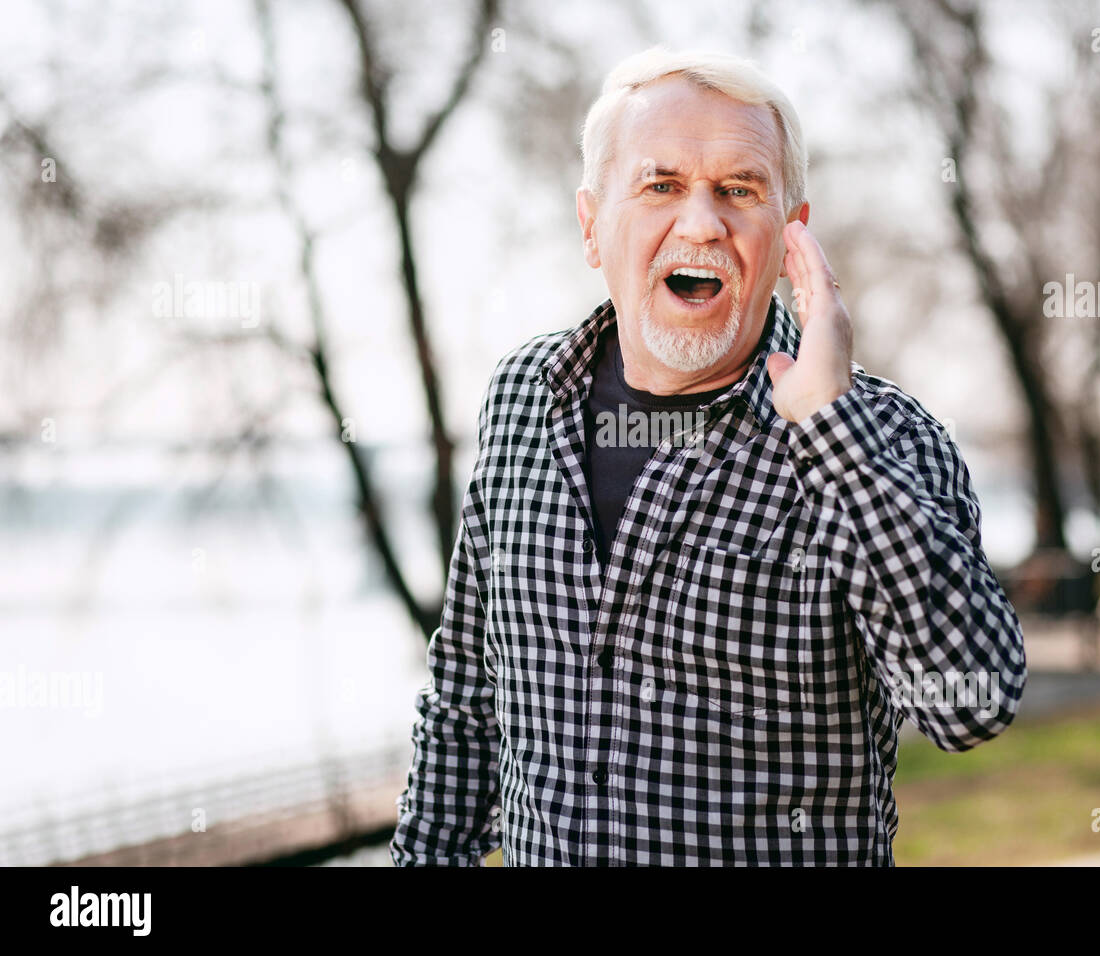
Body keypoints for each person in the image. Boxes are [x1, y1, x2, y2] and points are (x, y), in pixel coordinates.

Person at [391, 47, 1026, 866]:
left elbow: (970, 706)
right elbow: (466, 707)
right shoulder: (521, 400)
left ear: (791, 234)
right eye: (661, 186)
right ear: (591, 225)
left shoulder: (885, 440)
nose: (702, 223)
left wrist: (830, 432)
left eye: (739, 190)